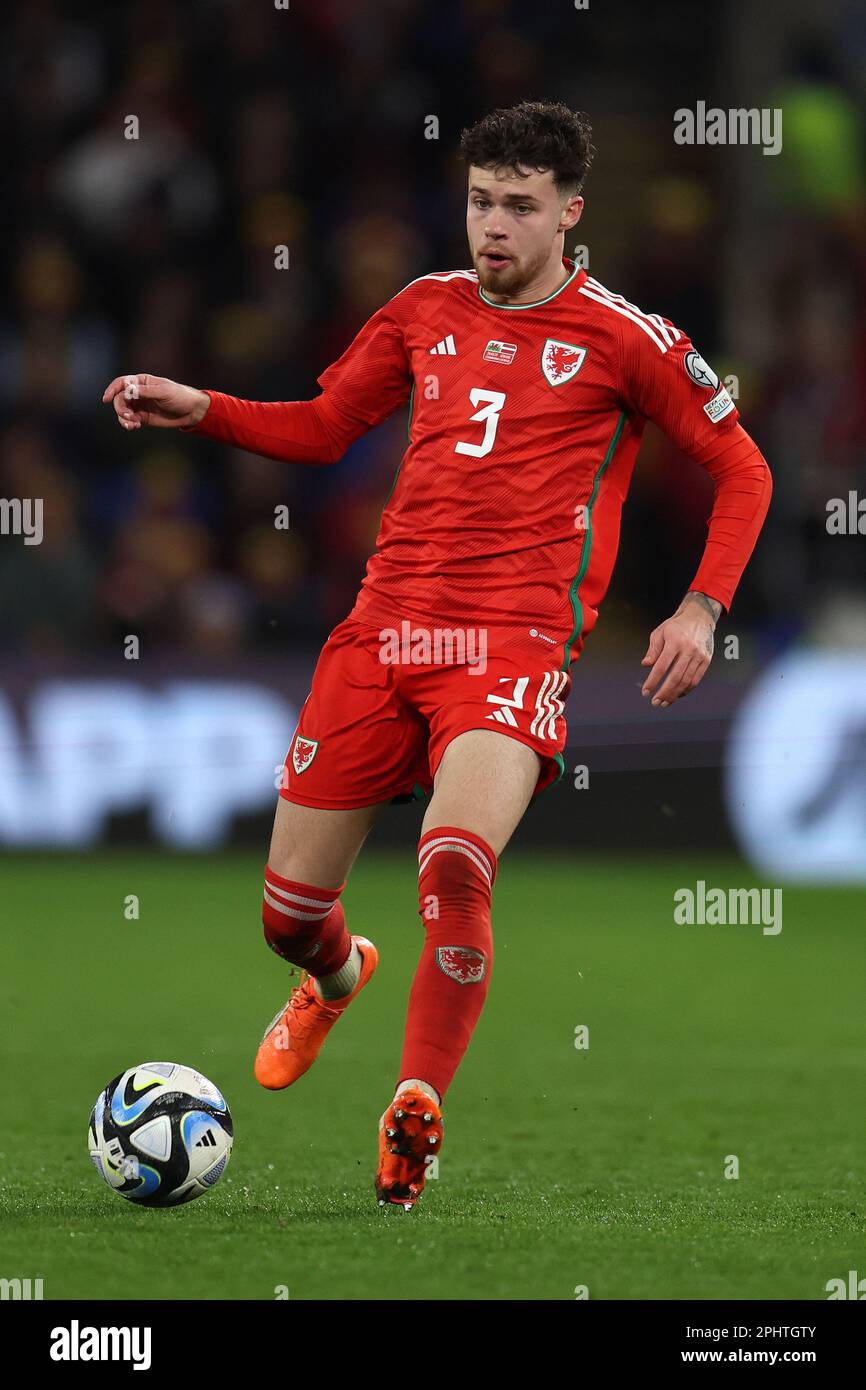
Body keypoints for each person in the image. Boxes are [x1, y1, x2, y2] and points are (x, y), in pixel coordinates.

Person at [103, 100, 772, 1211]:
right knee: (283, 917)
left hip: (506, 647)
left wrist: (700, 607)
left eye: (517, 205)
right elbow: (324, 426)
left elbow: (740, 469)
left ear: (568, 213)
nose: (492, 226)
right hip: (380, 636)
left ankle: (415, 1103)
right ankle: (334, 975)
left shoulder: (629, 339)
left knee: (454, 866)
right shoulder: (423, 309)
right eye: (478, 202)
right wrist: (200, 407)